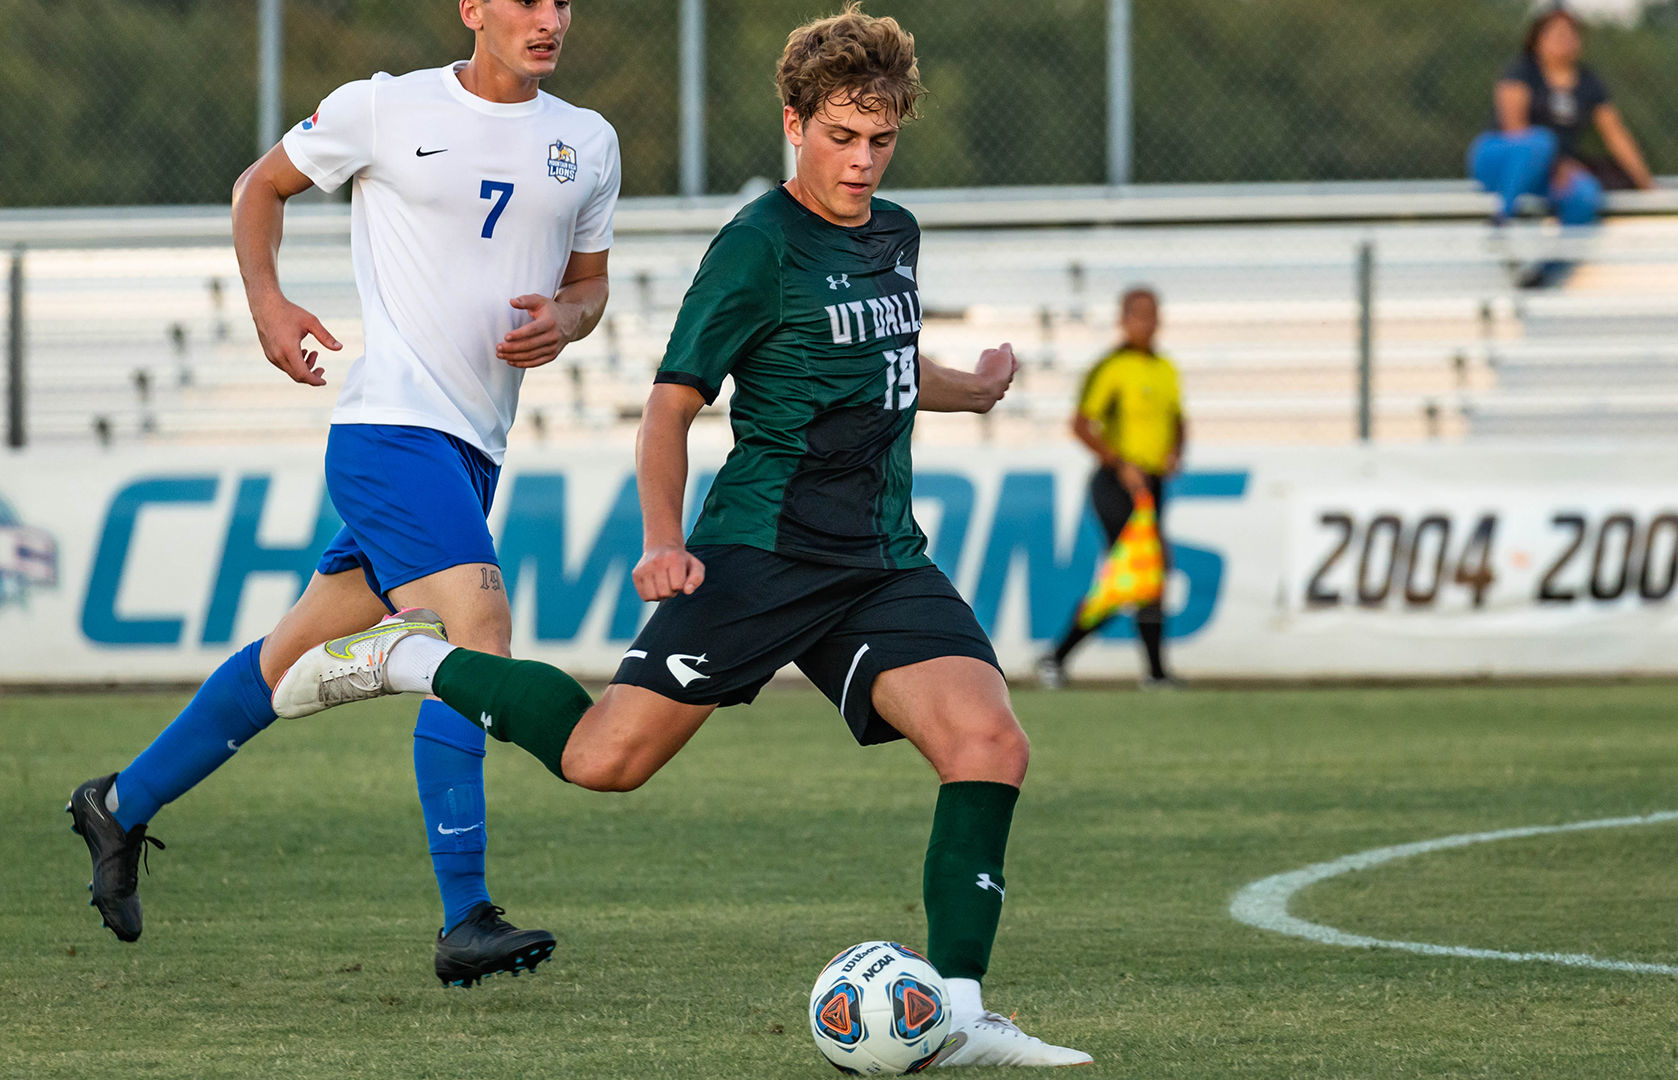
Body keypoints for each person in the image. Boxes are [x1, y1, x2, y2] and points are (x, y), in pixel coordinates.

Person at [269, 4, 1091, 1067]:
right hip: (758, 550)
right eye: (841, 136)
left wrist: (965, 389)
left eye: (881, 139)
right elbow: (670, 405)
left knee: (990, 742)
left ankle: (962, 1014)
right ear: (795, 123)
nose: (862, 160)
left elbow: (876, 362)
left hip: (881, 558)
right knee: (604, 760)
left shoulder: (896, 233)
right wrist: (666, 539)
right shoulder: (756, 246)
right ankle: (408, 657)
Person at [64, 0, 620, 989]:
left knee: (289, 658)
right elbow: (258, 188)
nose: (549, 19)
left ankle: (121, 801)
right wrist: (268, 302)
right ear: (473, 8)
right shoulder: (384, 108)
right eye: (527, 0)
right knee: (478, 626)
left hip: (470, 452)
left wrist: (566, 321)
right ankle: (466, 919)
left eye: (562, 2)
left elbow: (590, 287)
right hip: (389, 431)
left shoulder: (586, 141)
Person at [1035, 288, 1183, 690]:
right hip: (1118, 483)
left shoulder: (1165, 367)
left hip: (1150, 485)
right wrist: (1120, 463)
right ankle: (1146, 672)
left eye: (1153, 314)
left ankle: (1061, 659)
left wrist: (1175, 450)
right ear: (1122, 319)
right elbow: (1082, 424)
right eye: (1138, 314)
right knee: (1138, 573)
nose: (1146, 322)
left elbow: (1177, 419)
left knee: (1142, 575)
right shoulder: (1112, 368)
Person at [1468, 6, 1654, 229]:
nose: (1564, 40)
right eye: (1556, 34)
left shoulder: (1589, 82)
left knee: (1585, 192)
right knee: (1541, 141)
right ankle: (1504, 220)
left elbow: (1617, 136)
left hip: (1552, 173)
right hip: (1505, 159)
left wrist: (1647, 184)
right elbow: (1514, 130)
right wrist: (1555, 164)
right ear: (1537, 38)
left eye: (1570, 34)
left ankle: (1556, 263)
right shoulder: (1520, 72)